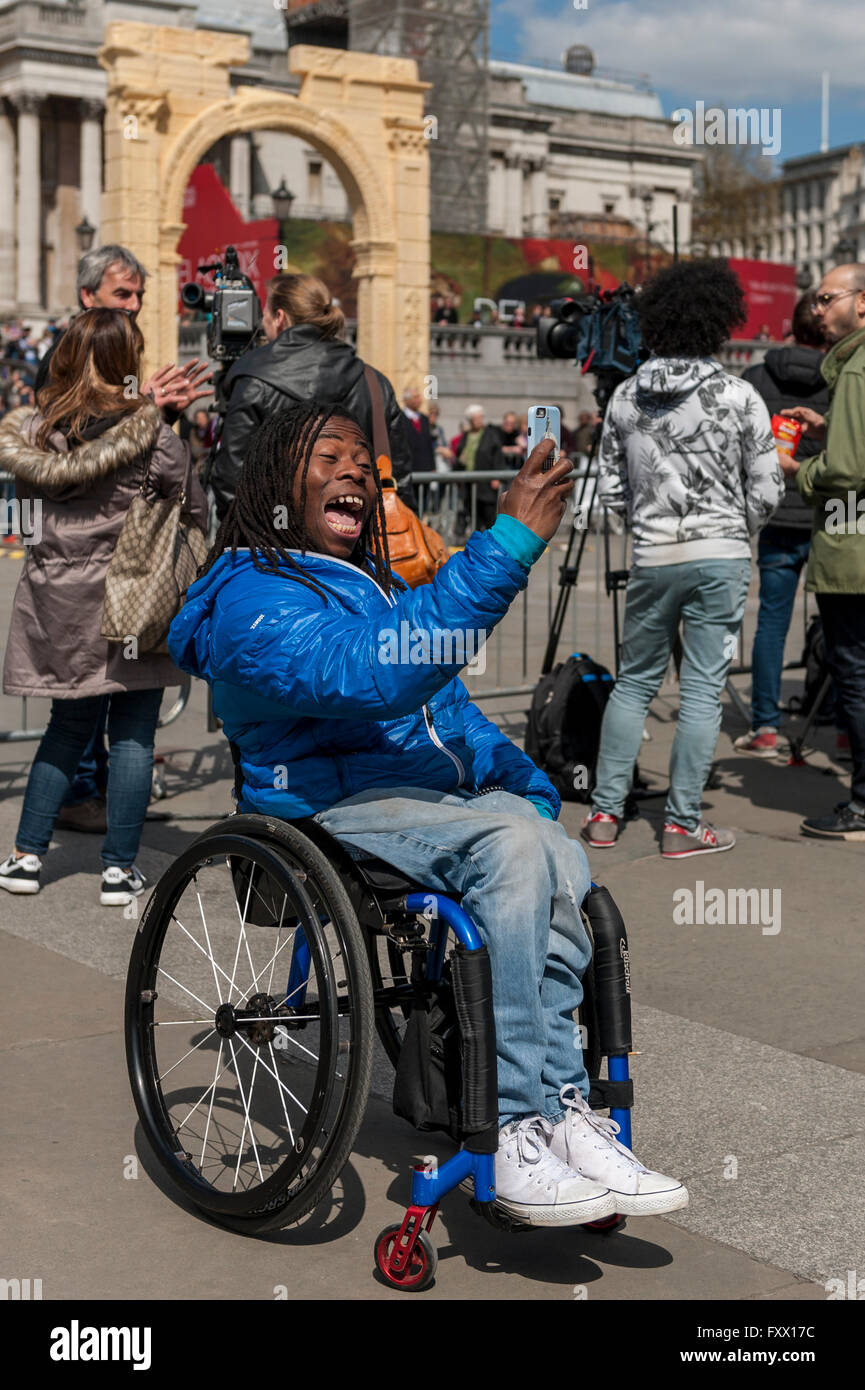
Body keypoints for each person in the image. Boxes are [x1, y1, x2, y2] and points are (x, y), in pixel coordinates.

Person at [167, 400, 688, 1227]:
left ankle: (560, 1110)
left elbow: (451, 715)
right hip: (327, 805)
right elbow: (367, 676)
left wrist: (520, 777)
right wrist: (506, 547)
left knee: (546, 841)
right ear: (273, 484)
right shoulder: (250, 599)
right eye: (325, 455)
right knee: (516, 846)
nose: (353, 470)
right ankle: (513, 1123)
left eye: (360, 459)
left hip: (418, 798)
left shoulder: (372, 585)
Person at [0, 309, 207, 904]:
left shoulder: (35, 437)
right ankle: (119, 869)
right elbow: (190, 506)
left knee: (66, 729)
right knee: (135, 733)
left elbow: (30, 516)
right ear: (126, 366)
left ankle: (25, 856)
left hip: (58, 600)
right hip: (133, 598)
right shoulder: (152, 436)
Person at [583, 260, 784, 857]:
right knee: (701, 690)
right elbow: (769, 489)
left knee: (634, 683)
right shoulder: (740, 394)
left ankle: (603, 814)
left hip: (653, 555)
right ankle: (681, 824)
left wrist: (645, 520)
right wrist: (736, 527)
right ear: (719, 321)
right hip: (720, 556)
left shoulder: (625, 395)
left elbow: (609, 491)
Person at [33, 244, 212, 835]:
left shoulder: (113, 366)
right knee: (103, 712)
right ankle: (91, 813)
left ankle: (39, 845)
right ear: (89, 298)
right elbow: (91, 459)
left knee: (93, 710)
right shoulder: (72, 360)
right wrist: (151, 420)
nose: (135, 307)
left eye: (138, 296)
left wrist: (158, 418)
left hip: (99, 575)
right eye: (122, 296)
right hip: (101, 575)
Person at [208, 273, 415, 520]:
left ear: (279, 318)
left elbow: (232, 478)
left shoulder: (253, 380)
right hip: (356, 541)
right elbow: (399, 472)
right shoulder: (373, 382)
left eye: (264, 315)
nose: (262, 324)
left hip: (276, 547)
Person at [782, 262, 865, 840]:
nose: (815, 308)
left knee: (856, 677)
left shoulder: (857, 368)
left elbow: (850, 469)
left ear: (862, 304)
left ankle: (861, 804)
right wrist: (829, 427)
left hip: (853, 554)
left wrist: (800, 468)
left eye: (825, 298)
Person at [734, 296, 829, 757]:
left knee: (772, 621)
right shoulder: (842, 375)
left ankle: (766, 726)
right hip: (832, 511)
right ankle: (846, 722)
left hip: (776, 509)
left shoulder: (757, 376)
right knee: (840, 624)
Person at [453, 404, 505, 531]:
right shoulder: (466, 436)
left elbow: (497, 456)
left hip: (486, 484)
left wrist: (496, 477)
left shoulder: (490, 435)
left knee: (489, 517)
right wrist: (460, 462)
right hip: (469, 485)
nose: (480, 421)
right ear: (470, 420)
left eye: (481, 418)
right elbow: (459, 455)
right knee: (474, 518)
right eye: (476, 418)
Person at [401, 386, 435, 473]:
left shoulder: (424, 419)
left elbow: (429, 445)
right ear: (407, 400)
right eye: (416, 397)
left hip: (425, 467)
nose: (419, 400)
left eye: (419, 397)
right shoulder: (400, 419)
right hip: (408, 468)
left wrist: (433, 466)